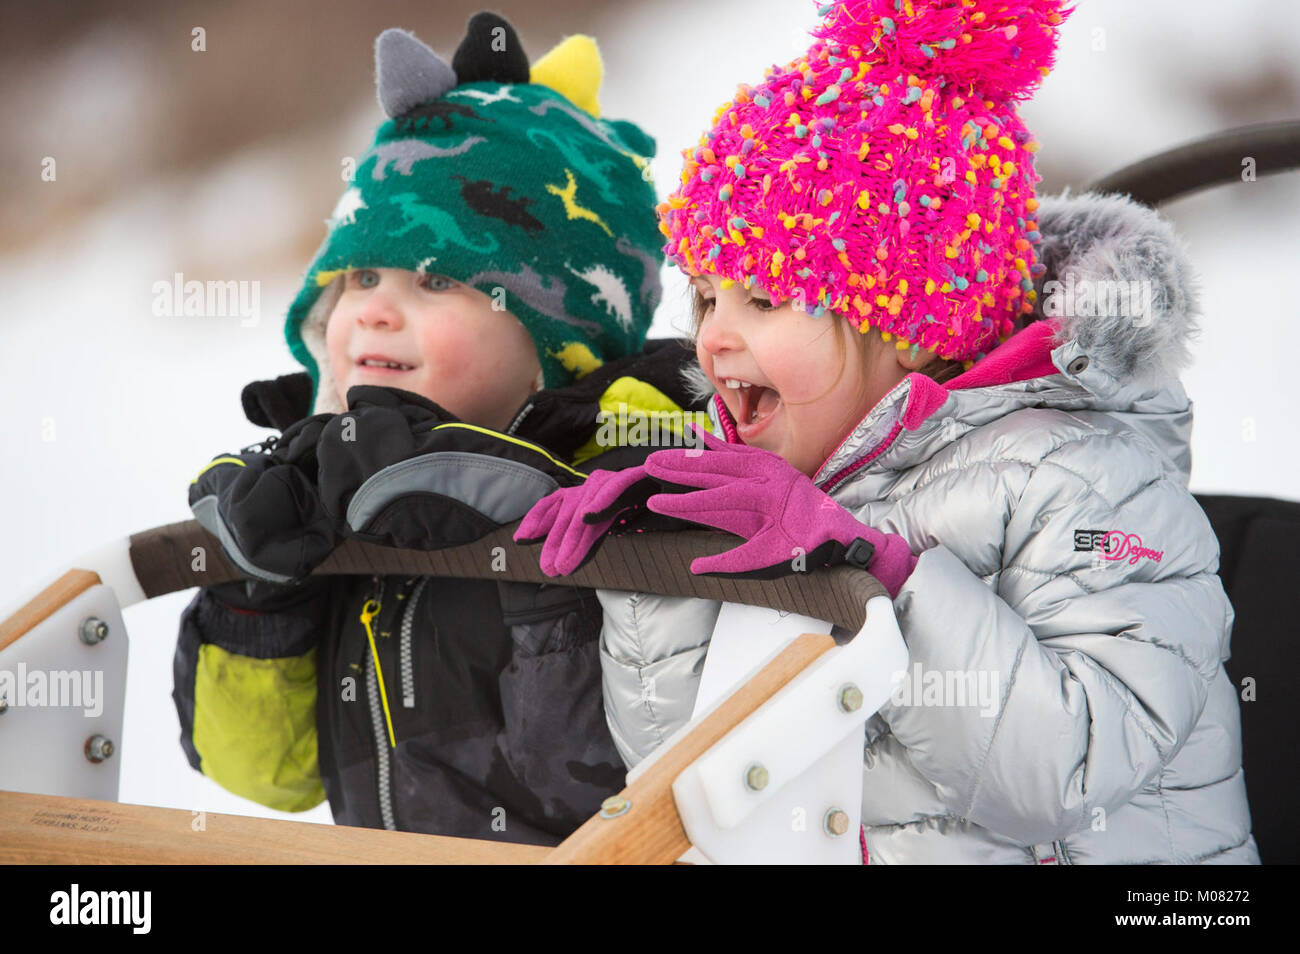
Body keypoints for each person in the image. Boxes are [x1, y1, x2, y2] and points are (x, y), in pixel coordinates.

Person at [515, 0, 1259, 863]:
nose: (713, 337)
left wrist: (881, 578)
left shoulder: (1084, 479)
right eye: (707, 297)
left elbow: (1070, 770)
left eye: (764, 297)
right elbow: (689, 786)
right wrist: (661, 566)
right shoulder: (781, 482)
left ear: (909, 325)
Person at [173, 11, 707, 846]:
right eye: (361, 276)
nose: (374, 311)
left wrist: (516, 534)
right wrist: (260, 596)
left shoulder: (637, 483)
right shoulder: (328, 487)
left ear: (557, 342)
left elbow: (605, 795)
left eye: (433, 281)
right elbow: (266, 772)